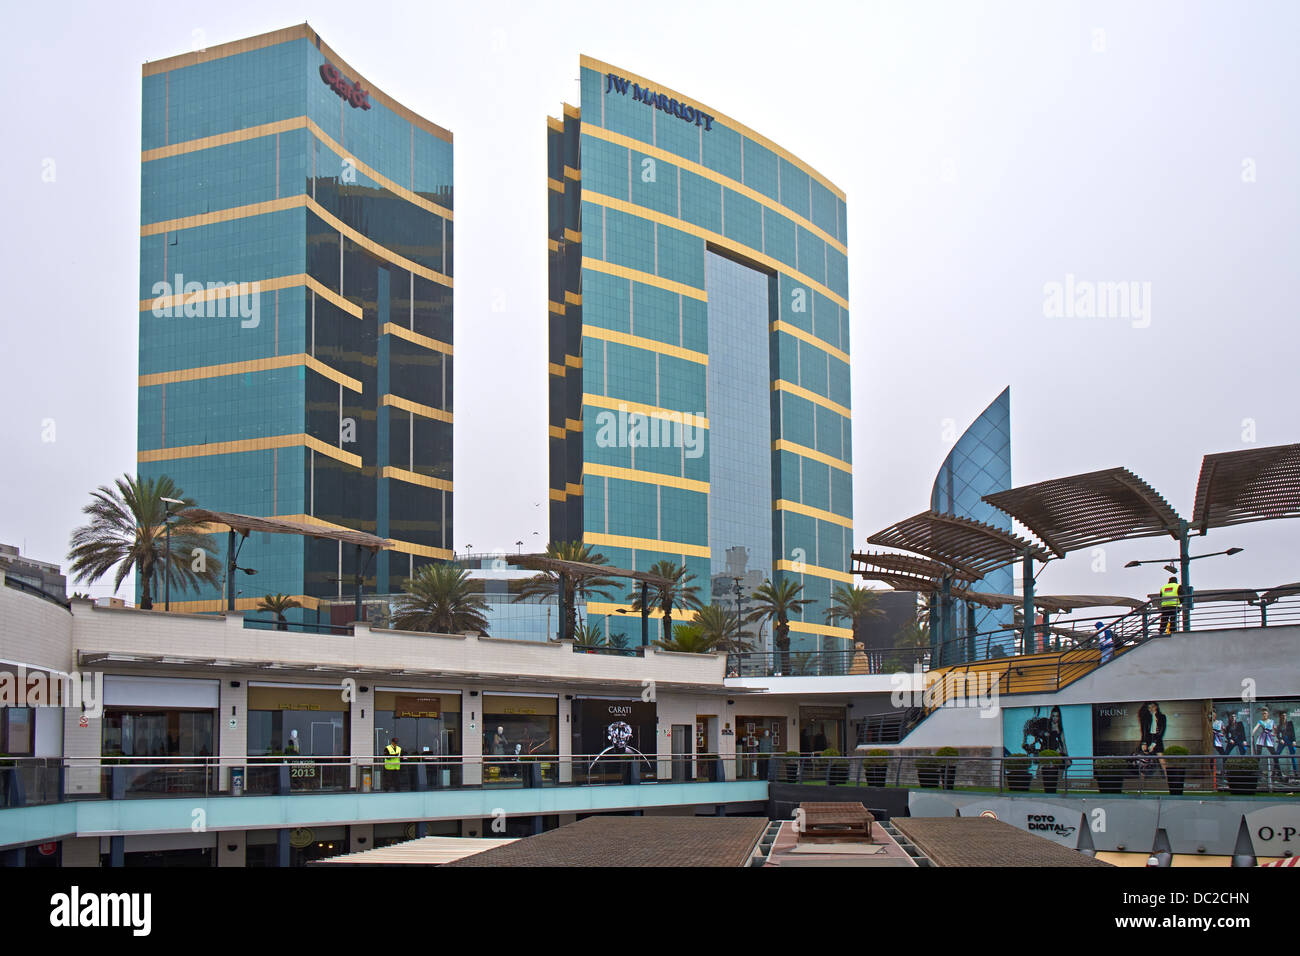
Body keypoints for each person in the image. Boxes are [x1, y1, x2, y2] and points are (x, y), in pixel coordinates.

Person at [1253, 707, 1280, 788]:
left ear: (1268, 714)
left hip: (1269, 738)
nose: (1264, 715)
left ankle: (1278, 773)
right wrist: (1252, 733)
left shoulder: (1271, 721)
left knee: (1275, 755)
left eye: (1265, 713)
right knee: (1258, 756)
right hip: (1262, 738)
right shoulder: (1260, 721)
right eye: (1263, 714)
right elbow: (1255, 728)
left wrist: (1275, 735)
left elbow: (1275, 730)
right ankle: (1256, 773)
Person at [1138, 701, 1167, 775]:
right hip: (1147, 739)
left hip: (1157, 739)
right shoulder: (1145, 717)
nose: (1151, 709)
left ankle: (1169, 781)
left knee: (1162, 761)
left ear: (1156, 707)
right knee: (1144, 762)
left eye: (1152, 706)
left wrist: (1154, 744)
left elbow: (1161, 731)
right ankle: (1141, 785)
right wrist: (1144, 743)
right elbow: (1143, 731)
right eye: (1149, 707)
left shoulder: (1162, 717)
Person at [1208, 708, 1228, 787]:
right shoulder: (1209, 723)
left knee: (1223, 756)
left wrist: (1224, 735)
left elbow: (1224, 731)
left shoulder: (1220, 722)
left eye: (1214, 715)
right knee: (1211, 757)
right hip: (1211, 740)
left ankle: (1224, 772)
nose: (1213, 716)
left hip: (1218, 741)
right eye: (1212, 715)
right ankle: (1211, 772)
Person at [1277, 710, 1298, 781]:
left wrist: (1294, 740)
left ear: (1286, 716)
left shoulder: (1290, 723)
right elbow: (1278, 735)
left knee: (1293, 756)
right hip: (1283, 740)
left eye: (1285, 716)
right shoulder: (1279, 726)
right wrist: (1280, 739)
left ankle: (1296, 773)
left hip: (1290, 740)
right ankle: (1278, 773)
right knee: (1276, 755)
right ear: (1280, 717)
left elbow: (1293, 732)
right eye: (1282, 716)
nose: (1284, 717)